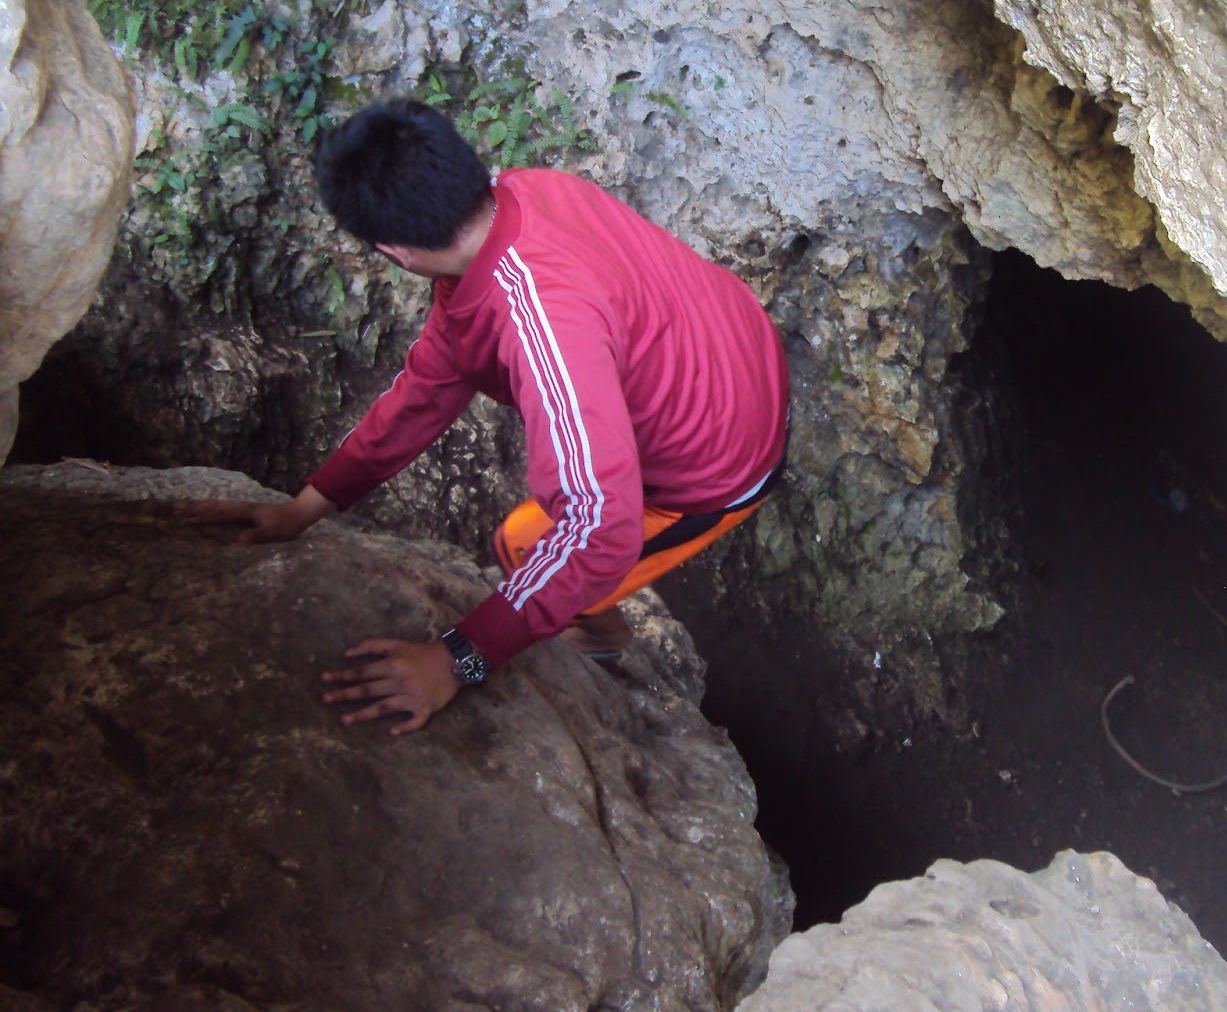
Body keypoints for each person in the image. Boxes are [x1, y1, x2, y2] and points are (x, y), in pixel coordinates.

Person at [181, 99, 789, 735]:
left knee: (525, 546)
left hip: (723, 459)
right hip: (736, 342)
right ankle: (594, 626)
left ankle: (606, 641)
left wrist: (459, 659)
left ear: (396, 251)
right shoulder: (531, 190)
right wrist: (307, 507)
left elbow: (599, 527)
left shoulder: (542, 323)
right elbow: (430, 385)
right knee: (528, 545)